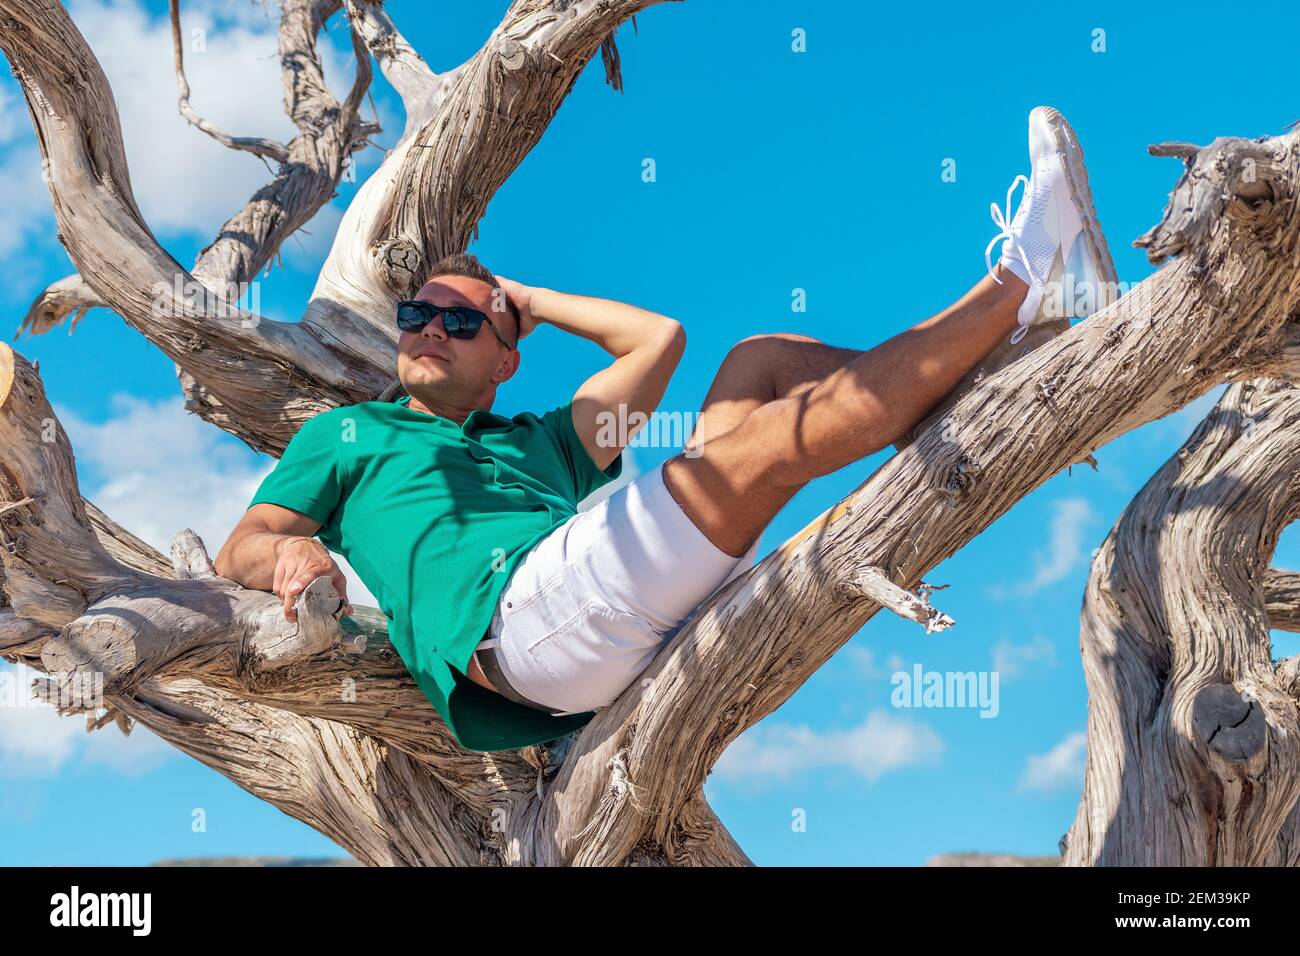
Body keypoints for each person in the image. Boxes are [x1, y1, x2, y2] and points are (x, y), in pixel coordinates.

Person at [214, 106, 1116, 753]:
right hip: (524, 629)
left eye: (461, 323)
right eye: (417, 314)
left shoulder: (545, 443)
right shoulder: (350, 436)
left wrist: (525, 300)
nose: (429, 331)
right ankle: (1023, 283)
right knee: (766, 449)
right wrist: (292, 559)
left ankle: (985, 363)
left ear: (504, 360)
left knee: (760, 360)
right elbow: (244, 545)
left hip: (595, 587)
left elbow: (659, 340)